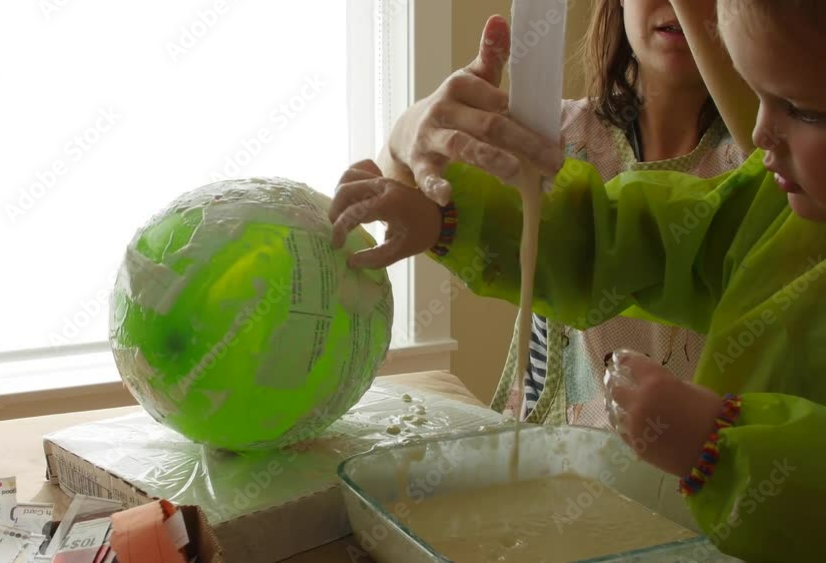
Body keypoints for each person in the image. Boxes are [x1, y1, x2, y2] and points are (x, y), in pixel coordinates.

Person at [328, 0, 824, 559]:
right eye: (759, 98)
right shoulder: (773, 208)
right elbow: (617, 243)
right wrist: (445, 214)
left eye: (804, 109)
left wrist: (719, 441)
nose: (761, 134)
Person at [377, 2, 748, 428]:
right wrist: (404, 137)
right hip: (544, 462)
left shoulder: (773, 169)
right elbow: (411, 192)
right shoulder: (550, 135)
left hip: (699, 478)